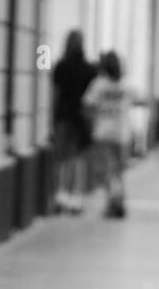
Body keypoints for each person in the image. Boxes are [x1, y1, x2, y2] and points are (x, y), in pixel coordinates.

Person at [82, 51, 136, 218]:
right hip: (122, 133)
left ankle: (113, 201)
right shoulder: (126, 85)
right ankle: (118, 201)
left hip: (103, 132)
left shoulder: (99, 84)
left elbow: (87, 104)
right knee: (118, 171)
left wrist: (92, 119)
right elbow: (136, 100)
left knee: (105, 171)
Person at [52, 30, 97, 214]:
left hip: (63, 117)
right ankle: (76, 197)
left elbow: (55, 94)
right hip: (81, 119)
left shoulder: (61, 66)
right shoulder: (89, 68)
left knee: (62, 157)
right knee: (78, 158)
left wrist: (53, 118)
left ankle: (61, 194)